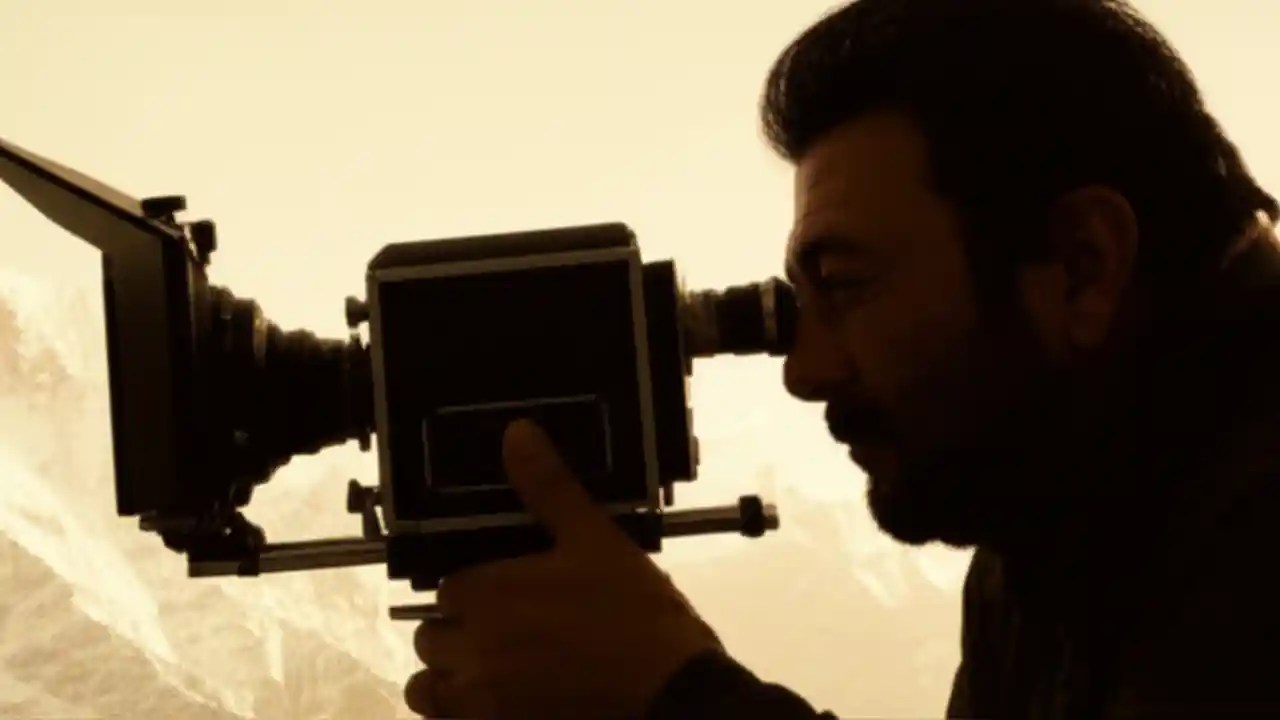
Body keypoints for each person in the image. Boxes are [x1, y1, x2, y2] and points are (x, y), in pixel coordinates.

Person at [403, 0, 1280, 717]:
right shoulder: (1054, 523)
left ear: (1083, 264)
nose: (805, 371)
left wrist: (679, 700)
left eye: (846, 287)